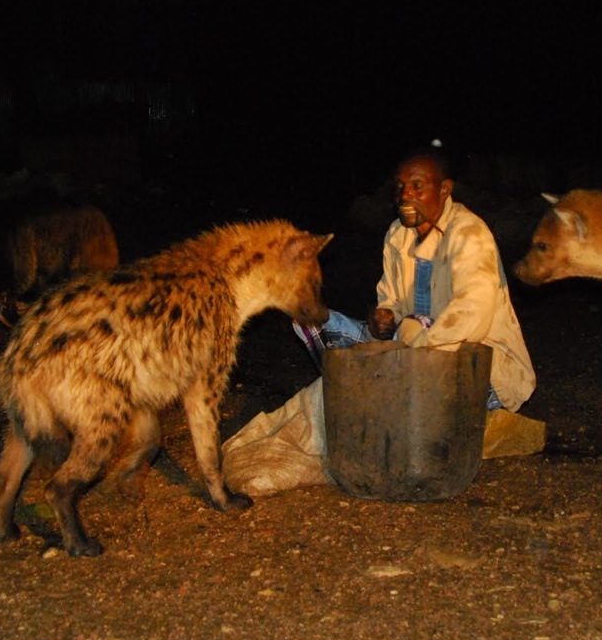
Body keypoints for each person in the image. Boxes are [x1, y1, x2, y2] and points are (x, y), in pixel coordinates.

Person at [220, 146, 537, 496]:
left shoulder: (470, 235)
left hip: (482, 371)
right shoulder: (397, 235)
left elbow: (472, 316)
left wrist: (402, 355)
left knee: (398, 346)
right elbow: (392, 304)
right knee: (311, 324)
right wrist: (380, 320)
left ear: (445, 189)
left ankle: (345, 418)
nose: (406, 195)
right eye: (400, 186)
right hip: (412, 356)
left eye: (418, 186)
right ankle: (354, 404)